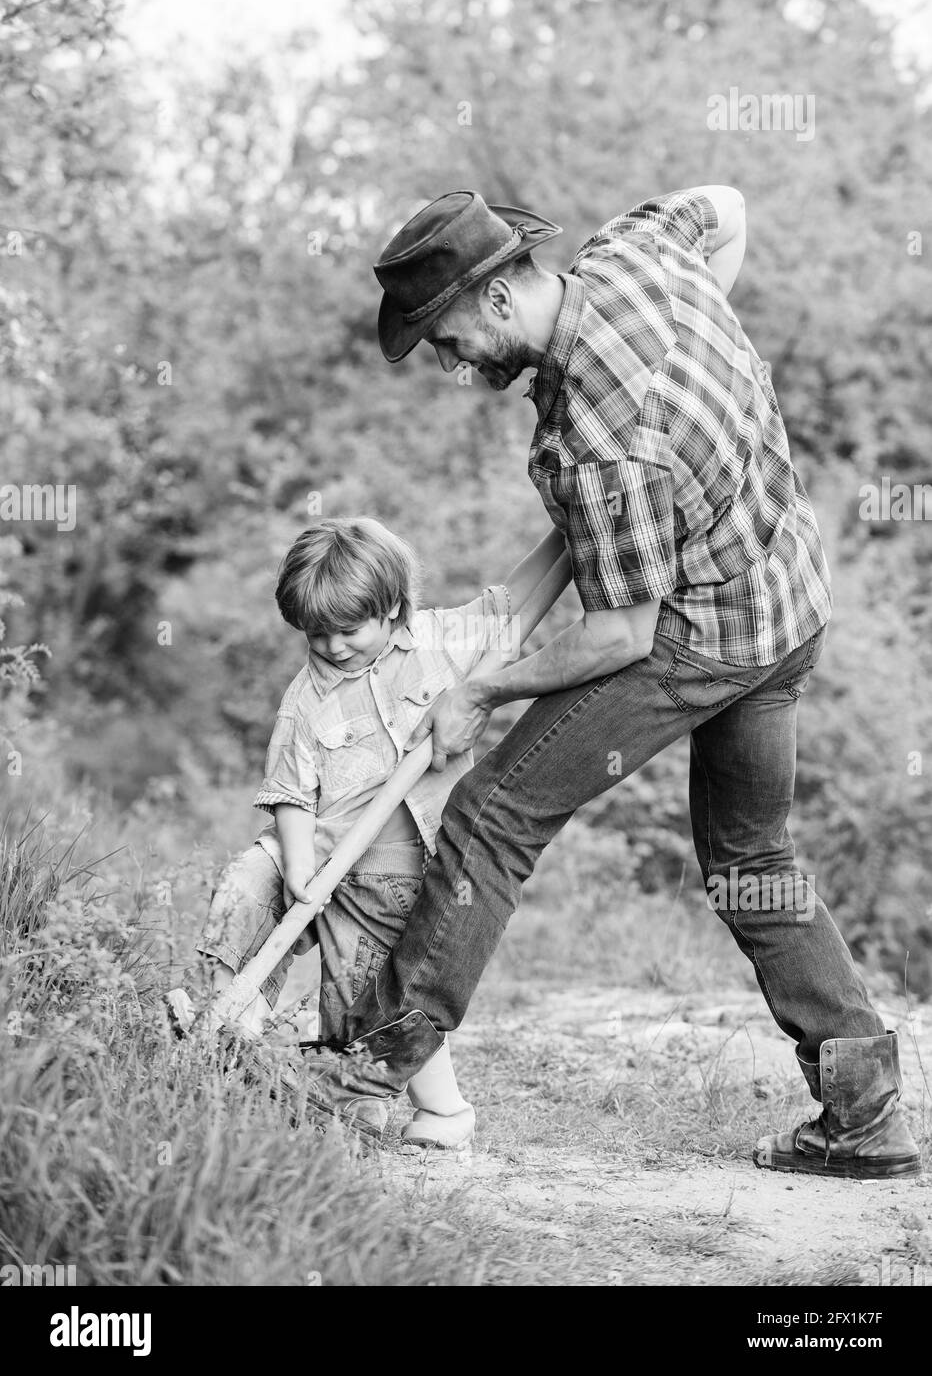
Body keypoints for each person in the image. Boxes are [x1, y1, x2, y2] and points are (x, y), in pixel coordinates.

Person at [301, 187, 920, 1180]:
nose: (450, 362)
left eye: (447, 335)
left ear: (499, 294)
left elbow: (623, 630)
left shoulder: (601, 437)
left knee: (492, 812)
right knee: (750, 852)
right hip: (787, 600)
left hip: (698, 633)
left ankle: (368, 1071)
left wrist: (484, 690)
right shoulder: (635, 257)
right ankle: (862, 1113)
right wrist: (696, 357)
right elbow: (723, 204)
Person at [167, 514, 568, 1148]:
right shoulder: (305, 698)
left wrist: (568, 530)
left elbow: (513, 603)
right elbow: (291, 792)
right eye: (315, 634)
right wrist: (299, 868)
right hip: (321, 846)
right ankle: (231, 1011)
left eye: (347, 630)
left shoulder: (445, 641)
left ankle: (436, 1110)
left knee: (367, 992)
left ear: (395, 610)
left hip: (398, 869)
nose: (331, 647)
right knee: (245, 883)